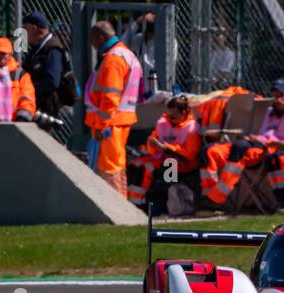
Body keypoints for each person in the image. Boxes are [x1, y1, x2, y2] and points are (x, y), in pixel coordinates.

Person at [200, 78, 284, 207]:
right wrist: (254, 139)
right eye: (275, 96)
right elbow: (263, 134)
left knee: (240, 148)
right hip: (256, 146)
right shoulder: (271, 111)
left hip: (271, 150)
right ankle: (207, 196)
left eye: (281, 96)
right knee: (209, 150)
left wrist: (264, 141)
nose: (278, 100)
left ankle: (216, 199)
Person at [84, 20, 142, 195]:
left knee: (108, 169)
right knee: (116, 167)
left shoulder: (113, 60)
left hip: (110, 124)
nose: (92, 44)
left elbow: (110, 98)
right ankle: (120, 208)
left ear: (101, 37)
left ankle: (114, 210)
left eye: (93, 39)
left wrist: (101, 125)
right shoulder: (127, 55)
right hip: (120, 121)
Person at [127, 94, 201, 212]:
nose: (171, 119)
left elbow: (191, 154)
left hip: (183, 163)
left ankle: (163, 203)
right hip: (162, 157)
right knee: (138, 164)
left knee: (169, 162)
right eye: (169, 115)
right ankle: (136, 202)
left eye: (174, 117)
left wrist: (167, 147)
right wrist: (151, 144)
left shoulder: (192, 128)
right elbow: (152, 144)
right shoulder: (163, 123)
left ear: (185, 112)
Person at [21, 11, 73, 123]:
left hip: (47, 110)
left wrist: (29, 88)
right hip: (35, 106)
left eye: (25, 29)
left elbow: (52, 81)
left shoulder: (52, 49)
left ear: (34, 28)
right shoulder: (37, 48)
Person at [121, 12, 175, 98]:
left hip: (163, 88)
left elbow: (170, 64)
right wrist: (137, 23)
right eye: (148, 25)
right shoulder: (140, 39)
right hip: (143, 88)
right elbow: (121, 45)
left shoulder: (169, 41)